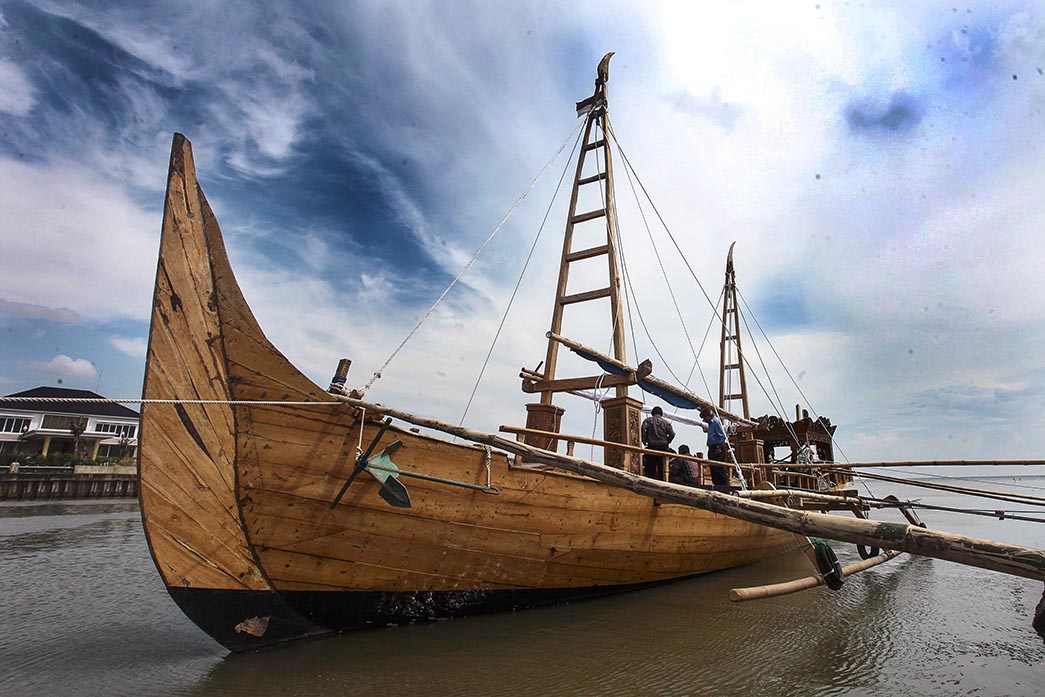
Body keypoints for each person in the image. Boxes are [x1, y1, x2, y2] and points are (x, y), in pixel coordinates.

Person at [700, 406, 731, 489]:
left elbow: (722, 436)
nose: (704, 420)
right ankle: (717, 486)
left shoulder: (716, 422)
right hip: (712, 447)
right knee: (713, 468)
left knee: (719, 468)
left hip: (717, 448)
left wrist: (718, 447)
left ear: (708, 416)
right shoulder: (711, 423)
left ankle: (724, 488)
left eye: (704, 418)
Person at [641, 406, 674, 479]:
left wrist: (644, 441)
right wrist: (667, 442)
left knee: (649, 469)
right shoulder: (666, 423)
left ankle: (648, 483)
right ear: (661, 414)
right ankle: (663, 483)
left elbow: (643, 430)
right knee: (662, 468)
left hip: (651, 447)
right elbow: (672, 434)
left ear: (652, 413)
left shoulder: (648, 421)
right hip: (662, 447)